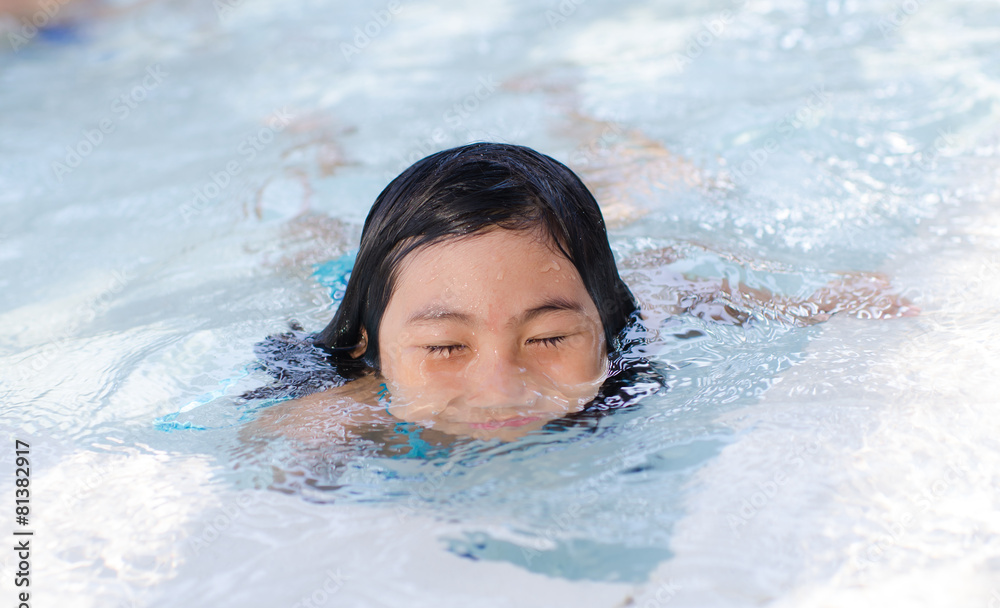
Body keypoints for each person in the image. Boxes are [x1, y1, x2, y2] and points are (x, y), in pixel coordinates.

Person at [245, 142, 915, 444]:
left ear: (604, 323)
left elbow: (686, 289)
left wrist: (819, 308)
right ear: (372, 350)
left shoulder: (631, 328)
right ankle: (313, 158)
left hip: (610, 275)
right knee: (317, 250)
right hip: (369, 281)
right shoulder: (349, 401)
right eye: (446, 347)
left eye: (548, 338)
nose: (501, 386)